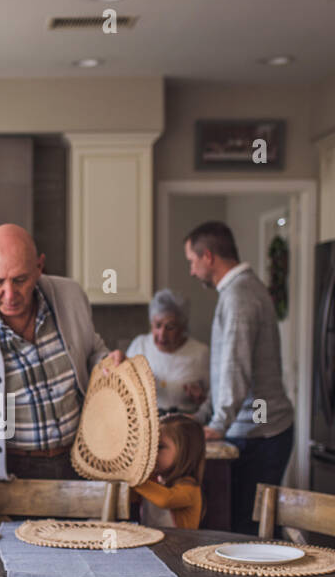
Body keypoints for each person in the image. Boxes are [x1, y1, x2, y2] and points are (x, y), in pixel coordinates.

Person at [0, 224, 124, 530]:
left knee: (83, 562)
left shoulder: (70, 296)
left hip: (79, 459)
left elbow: (92, 351)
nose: (9, 294)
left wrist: (107, 362)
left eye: (20, 280)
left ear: (39, 266)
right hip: (9, 475)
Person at [184, 221, 294, 535]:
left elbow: (235, 367)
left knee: (246, 532)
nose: (192, 271)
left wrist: (218, 424)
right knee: (249, 528)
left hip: (260, 434)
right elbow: (225, 373)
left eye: (192, 262)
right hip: (257, 430)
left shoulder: (239, 297)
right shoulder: (242, 290)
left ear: (208, 256)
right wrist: (202, 415)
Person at [126, 289, 210, 420]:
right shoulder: (139, 345)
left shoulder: (200, 353)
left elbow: (214, 400)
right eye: (157, 325)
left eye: (170, 327)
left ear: (183, 327)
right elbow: (124, 389)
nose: (162, 334)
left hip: (185, 424)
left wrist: (201, 398)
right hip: (146, 423)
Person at [133, 414, 206, 530]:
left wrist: (133, 478)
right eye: (151, 446)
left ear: (184, 452)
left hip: (181, 547)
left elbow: (166, 499)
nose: (152, 453)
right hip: (154, 544)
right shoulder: (154, 480)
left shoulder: (190, 488)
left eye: (160, 447)